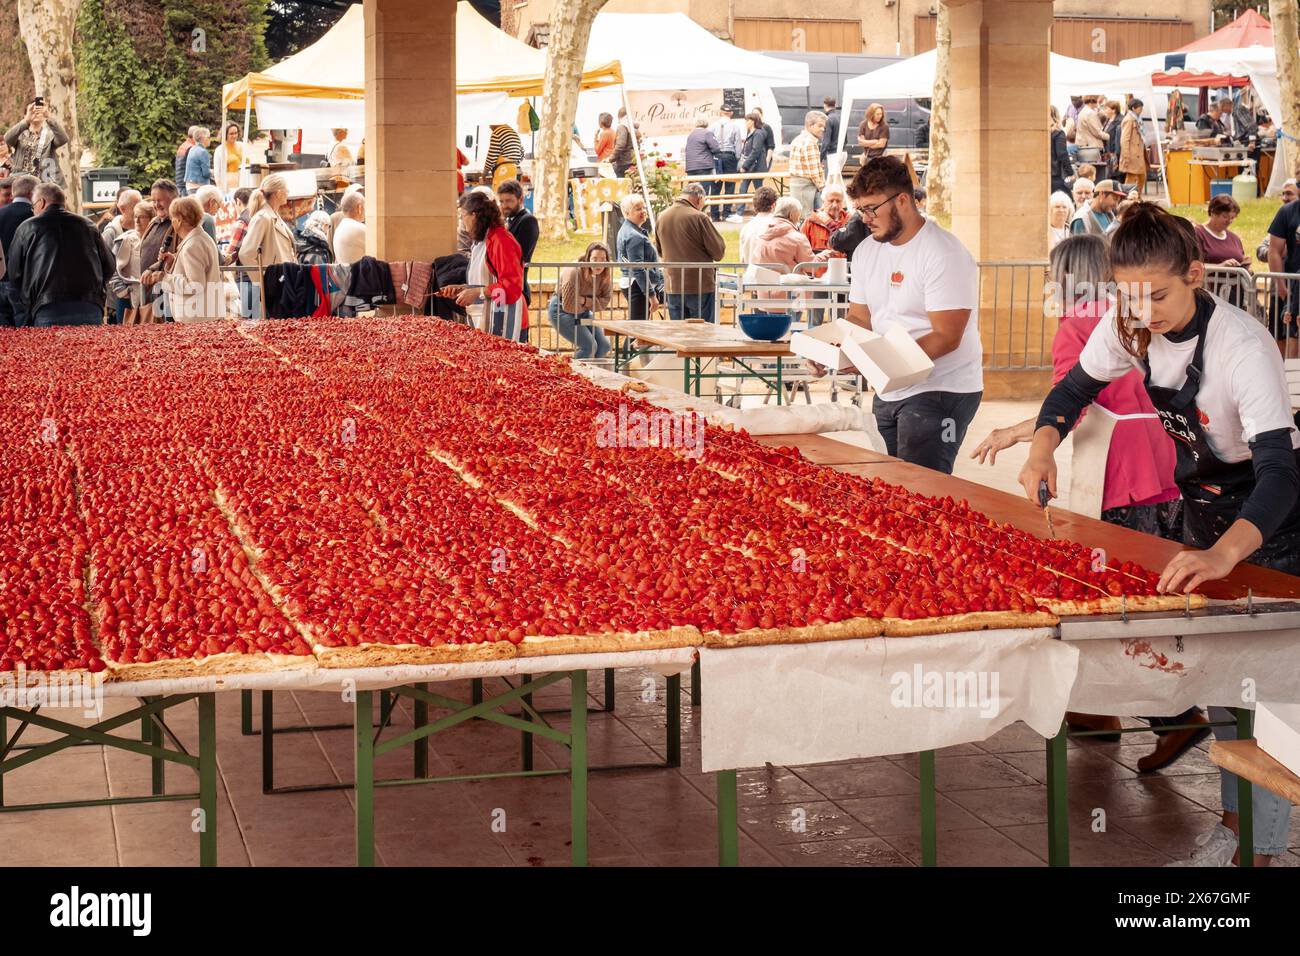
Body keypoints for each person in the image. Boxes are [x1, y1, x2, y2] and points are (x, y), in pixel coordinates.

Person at [1022, 206, 1300, 866]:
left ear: (1196, 274)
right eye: (1128, 292)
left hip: (1274, 522)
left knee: (1278, 695)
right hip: (1202, 513)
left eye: (1158, 294)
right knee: (1230, 685)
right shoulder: (1130, 324)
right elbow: (1070, 392)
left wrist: (1224, 552)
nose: (1142, 310)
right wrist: (1041, 449)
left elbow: (1281, 473)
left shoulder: (1242, 347)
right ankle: (1240, 835)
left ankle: (1257, 848)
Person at [971, 234, 1195, 763]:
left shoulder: (1077, 325)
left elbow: (1070, 404)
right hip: (1173, 465)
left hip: (1121, 472)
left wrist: (1021, 436)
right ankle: (1121, 709)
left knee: (1115, 597)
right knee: (1156, 594)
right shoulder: (1142, 312)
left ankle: (1168, 714)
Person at [844, 156, 983, 474]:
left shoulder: (943, 252)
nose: (865, 218)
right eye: (861, 210)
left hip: (943, 387)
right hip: (889, 383)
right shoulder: (867, 251)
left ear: (903, 200)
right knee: (892, 485)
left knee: (922, 489)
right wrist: (835, 349)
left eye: (871, 208)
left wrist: (877, 361)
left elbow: (947, 337)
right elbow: (859, 319)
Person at [6, 182, 113, 327]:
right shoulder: (88, 225)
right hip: (90, 306)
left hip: (46, 308)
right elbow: (109, 266)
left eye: (33, 206)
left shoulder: (27, 227)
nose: (33, 211)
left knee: (50, 349)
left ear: (42, 202)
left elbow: (13, 273)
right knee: (90, 349)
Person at [445, 190, 525, 339]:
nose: (462, 223)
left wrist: (477, 293)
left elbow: (512, 287)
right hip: (482, 318)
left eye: (463, 217)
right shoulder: (480, 243)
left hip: (501, 319)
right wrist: (463, 289)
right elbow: (484, 282)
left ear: (474, 216)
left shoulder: (501, 241)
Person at [654, 182, 725, 322]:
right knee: (702, 335)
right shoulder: (699, 217)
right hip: (699, 285)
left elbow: (660, 250)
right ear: (699, 199)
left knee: (679, 335)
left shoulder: (662, 216)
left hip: (673, 284)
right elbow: (718, 252)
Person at [157, 196, 227, 323]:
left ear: (179, 220)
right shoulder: (201, 238)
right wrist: (173, 262)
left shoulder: (192, 245)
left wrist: (165, 278)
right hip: (204, 315)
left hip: (197, 318)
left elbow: (195, 285)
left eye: (172, 218)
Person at [237, 174, 296, 319]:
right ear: (278, 193)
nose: (288, 192)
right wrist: (263, 280)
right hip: (275, 284)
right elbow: (245, 253)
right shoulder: (263, 217)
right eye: (286, 190)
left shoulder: (272, 215)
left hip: (283, 282)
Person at [548, 241, 613, 360]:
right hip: (561, 310)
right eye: (594, 259)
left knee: (604, 346)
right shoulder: (574, 271)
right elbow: (569, 306)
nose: (599, 264)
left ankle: (593, 374)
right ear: (587, 259)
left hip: (583, 312)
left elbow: (604, 303)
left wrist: (583, 301)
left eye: (603, 259)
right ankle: (574, 375)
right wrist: (592, 303)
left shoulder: (605, 275)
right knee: (589, 346)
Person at [616, 194, 662, 322]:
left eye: (643, 208)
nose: (643, 211)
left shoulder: (629, 231)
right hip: (637, 285)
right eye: (638, 209)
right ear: (627, 213)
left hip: (636, 284)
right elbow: (638, 268)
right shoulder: (633, 235)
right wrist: (651, 295)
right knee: (637, 331)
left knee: (638, 330)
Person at [1266, 187, 1300, 358]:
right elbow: (1273, 251)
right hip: (1294, 285)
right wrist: (1281, 286)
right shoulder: (1288, 211)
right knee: (1293, 334)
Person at [138, 179, 179, 317]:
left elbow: (178, 254)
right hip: (149, 293)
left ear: (173, 199)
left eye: (160, 200)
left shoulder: (179, 223)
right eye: (153, 200)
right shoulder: (154, 222)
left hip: (168, 293)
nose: (156, 204)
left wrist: (152, 268)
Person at [0, 174, 36, 326]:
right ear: (32, 193)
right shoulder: (36, 215)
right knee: (26, 335)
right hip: (26, 283)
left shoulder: (1, 214)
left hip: (1, 280)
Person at [5, 101, 68, 186]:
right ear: (25, 116)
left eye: (39, 111)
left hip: (45, 184)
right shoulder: (19, 134)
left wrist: (48, 117)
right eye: (32, 111)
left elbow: (63, 139)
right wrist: (26, 120)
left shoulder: (50, 135)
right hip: (22, 184)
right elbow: (7, 138)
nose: (36, 113)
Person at [112, 200, 152, 325]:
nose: (137, 220)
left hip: (151, 297)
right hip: (127, 298)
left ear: (151, 219)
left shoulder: (156, 240)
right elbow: (112, 267)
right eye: (135, 216)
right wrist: (122, 292)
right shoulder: (125, 240)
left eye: (142, 217)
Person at [751, 196, 813, 274]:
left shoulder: (760, 232)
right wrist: (826, 255)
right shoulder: (797, 238)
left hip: (764, 282)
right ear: (791, 215)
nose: (799, 219)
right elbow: (811, 267)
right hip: (791, 284)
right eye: (799, 215)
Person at [788, 111, 827, 221]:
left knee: (801, 218)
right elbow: (814, 172)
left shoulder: (797, 139)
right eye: (820, 125)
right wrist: (823, 188)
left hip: (797, 185)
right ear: (810, 125)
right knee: (807, 220)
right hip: (806, 187)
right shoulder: (810, 142)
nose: (823, 129)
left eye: (824, 126)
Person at [683, 118, 722, 220]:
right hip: (703, 166)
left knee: (692, 192)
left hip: (691, 167)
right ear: (706, 124)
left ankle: (690, 214)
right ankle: (700, 216)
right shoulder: (707, 133)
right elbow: (716, 148)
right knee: (702, 192)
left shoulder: (691, 135)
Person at [711, 106, 745, 223]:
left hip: (716, 156)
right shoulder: (735, 126)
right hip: (730, 156)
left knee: (715, 185)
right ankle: (726, 213)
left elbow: (710, 142)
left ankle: (714, 215)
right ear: (730, 113)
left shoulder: (713, 125)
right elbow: (738, 144)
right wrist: (737, 158)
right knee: (729, 186)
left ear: (721, 113)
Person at [1195, 195, 1246, 267]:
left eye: (1232, 217)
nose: (1229, 221)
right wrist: (1220, 266)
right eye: (1225, 216)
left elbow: (1243, 260)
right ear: (1213, 213)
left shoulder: (1235, 238)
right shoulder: (1197, 233)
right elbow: (1192, 267)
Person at [801, 183, 848, 254]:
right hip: (818, 264)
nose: (835, 205)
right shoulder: (810, 222)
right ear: (823, 201)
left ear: (843, 202)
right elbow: (801, 249)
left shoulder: (849, 220)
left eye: (838, 201)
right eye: (831, 201)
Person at [739, 185, 778, 263]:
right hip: (773, 272)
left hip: (750, 271)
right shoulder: (778, 225)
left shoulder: (746, 228)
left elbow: (742, 259)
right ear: (774, 205)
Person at [739, 112, 770, 199]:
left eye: (747, 121)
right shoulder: (752, 133)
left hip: (756, 167)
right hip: (751, 166)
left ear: (752, 121)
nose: (745, 123)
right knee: (743, 189)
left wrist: (744, 166)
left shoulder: (758, 133)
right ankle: (739, 212)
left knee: (759, 191)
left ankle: (762, 210)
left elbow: (755, 151)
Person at [332, 189, 366, 266]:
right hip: (359, 276)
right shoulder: (360, 229)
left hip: (345, 276)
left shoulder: (340, 228)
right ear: (359, 208)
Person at [483, 123, 524, 188]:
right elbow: (522, 154)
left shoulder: (497, 132)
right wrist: (512, 162)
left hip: (503, 171)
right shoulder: (513, 133)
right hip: (513, 170)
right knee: (509, 194)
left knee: (499, 195)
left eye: (490, 125)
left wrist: (484, 174)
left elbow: (491, 157)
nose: (490, 127)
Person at [1119, 98, 1147, 191]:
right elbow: (1124, 139)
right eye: (1140, 108)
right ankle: (1127, 198)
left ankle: (1137, 197)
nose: (1141, 110)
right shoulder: (1129, 119)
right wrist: (1126, 155)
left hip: (1138, 154)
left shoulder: (1136, 119)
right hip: (1132, 154)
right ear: (1134, 108)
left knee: (1142, 177)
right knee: (1131, 178)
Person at [212, 123, 244, 193]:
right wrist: (220, 188)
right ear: (225, 134)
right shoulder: (220, 150)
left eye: (236, 133)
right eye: (231, 134)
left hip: (243, 183)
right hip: (227, 187)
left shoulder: (242, 145)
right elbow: (217, 172)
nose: (234, 136)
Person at [182, 127, 212, 195]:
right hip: (199, 186)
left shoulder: (192, 149)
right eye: (209, 137)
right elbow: (206, 173)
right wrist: (213, 172)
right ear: (203, 138)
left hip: (189, 186)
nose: (210, 139)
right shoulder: (203, 152)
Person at [1050, 106, 1072, 196]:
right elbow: (1062, 154)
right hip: (1056, 174)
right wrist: (1070, 172)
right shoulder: (1058, 133)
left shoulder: (1040, 133)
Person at [611, 108, 636, 178]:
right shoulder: (632, 126)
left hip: (624, 162)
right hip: (633, 160)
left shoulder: (622, 126)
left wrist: (611, 158)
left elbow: (620, 145)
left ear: (619, 117)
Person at [1102, 100, 1123, 181]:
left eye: (1106, 109)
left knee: (1116, 176)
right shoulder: (1108, 120)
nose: (1105, 111)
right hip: (1108, 152)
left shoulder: (1120, 120)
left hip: (1115, 152)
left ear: (1113, 110)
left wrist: (1116, 153)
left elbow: (1118, 138)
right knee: (1109, 175)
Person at [820, 96, 841, 173]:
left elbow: (826, 142)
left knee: (830, 181)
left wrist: (820, 158)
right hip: (842, 152)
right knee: (836, 179)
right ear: (835, 105)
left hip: (833, 154)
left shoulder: (828, 119)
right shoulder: (840, 117)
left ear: (824, 105)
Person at [174, 126, 197, 193]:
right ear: (194, 136)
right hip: (186, 183)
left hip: (180, 181)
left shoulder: (184, 145)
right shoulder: (191, 148)